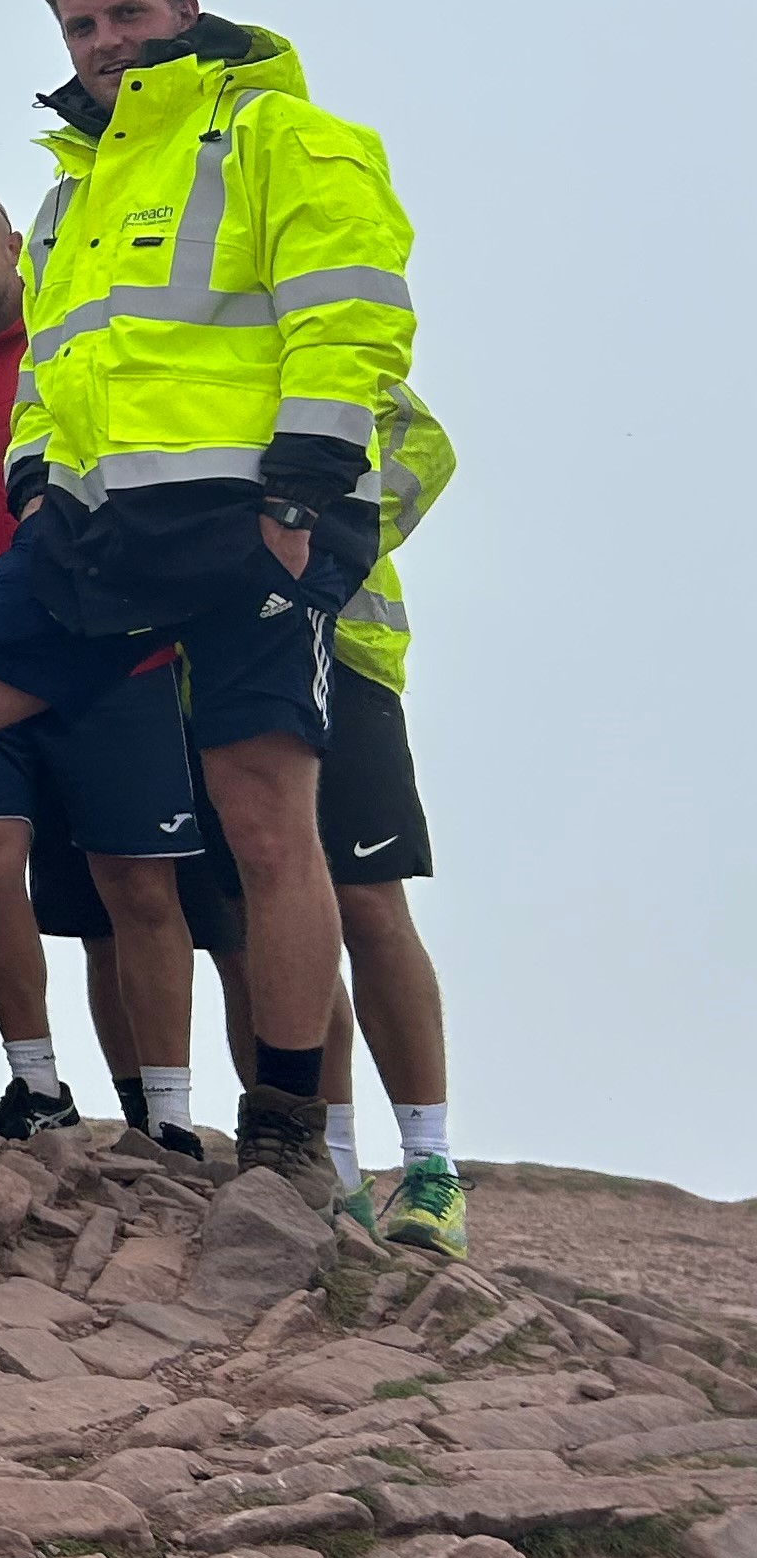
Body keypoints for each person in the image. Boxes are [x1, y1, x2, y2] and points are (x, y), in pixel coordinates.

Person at [0, 0, 417, 1197]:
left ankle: (288, 1130)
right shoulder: (75, 187)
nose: (107, 42)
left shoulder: (286, 136)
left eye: (128, 14)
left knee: (263, 822)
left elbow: (351, 307)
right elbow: (58, 360)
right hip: (95, 529)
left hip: (248, 516)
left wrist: (302, 480)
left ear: (184, 8)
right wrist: (31, 472)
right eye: (83, 25)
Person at [0, 182, 205, 1145]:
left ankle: (169, 1114)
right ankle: (37, 1083)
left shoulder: (76, 347)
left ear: (14, 251)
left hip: (118, 657)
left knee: (138, 883)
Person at [318, 376, 462, 1250]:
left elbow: (425, 449)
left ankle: (432, 1168)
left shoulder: (325, 322)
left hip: (348, 653)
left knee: (368, 900)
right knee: (266, 919)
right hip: (211, 663)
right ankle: (333, 1175)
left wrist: (335, 546)